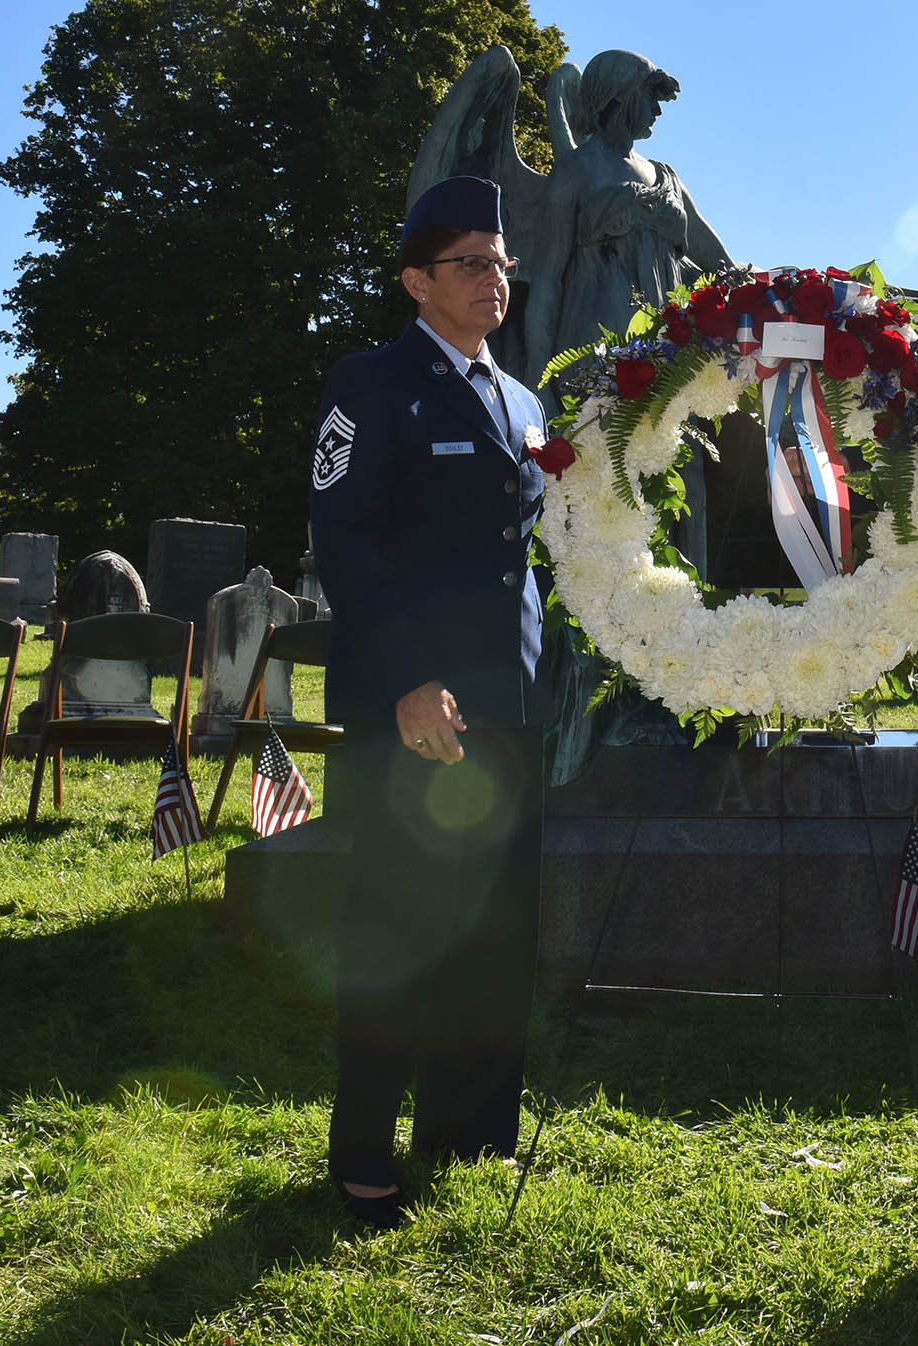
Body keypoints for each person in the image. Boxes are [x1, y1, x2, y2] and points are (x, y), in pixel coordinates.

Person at [307, 174, 553, 1233]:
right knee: (398, 925)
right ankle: (364, 1153)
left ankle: (470, 1131)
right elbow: (344, 544)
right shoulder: (372, 385)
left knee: (494, 929)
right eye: (470, 263)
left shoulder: (525, 400)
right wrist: (409, 678)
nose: (493, 278)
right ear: (416, 282)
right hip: (411, 709)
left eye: (500, 262)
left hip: (507, 703)